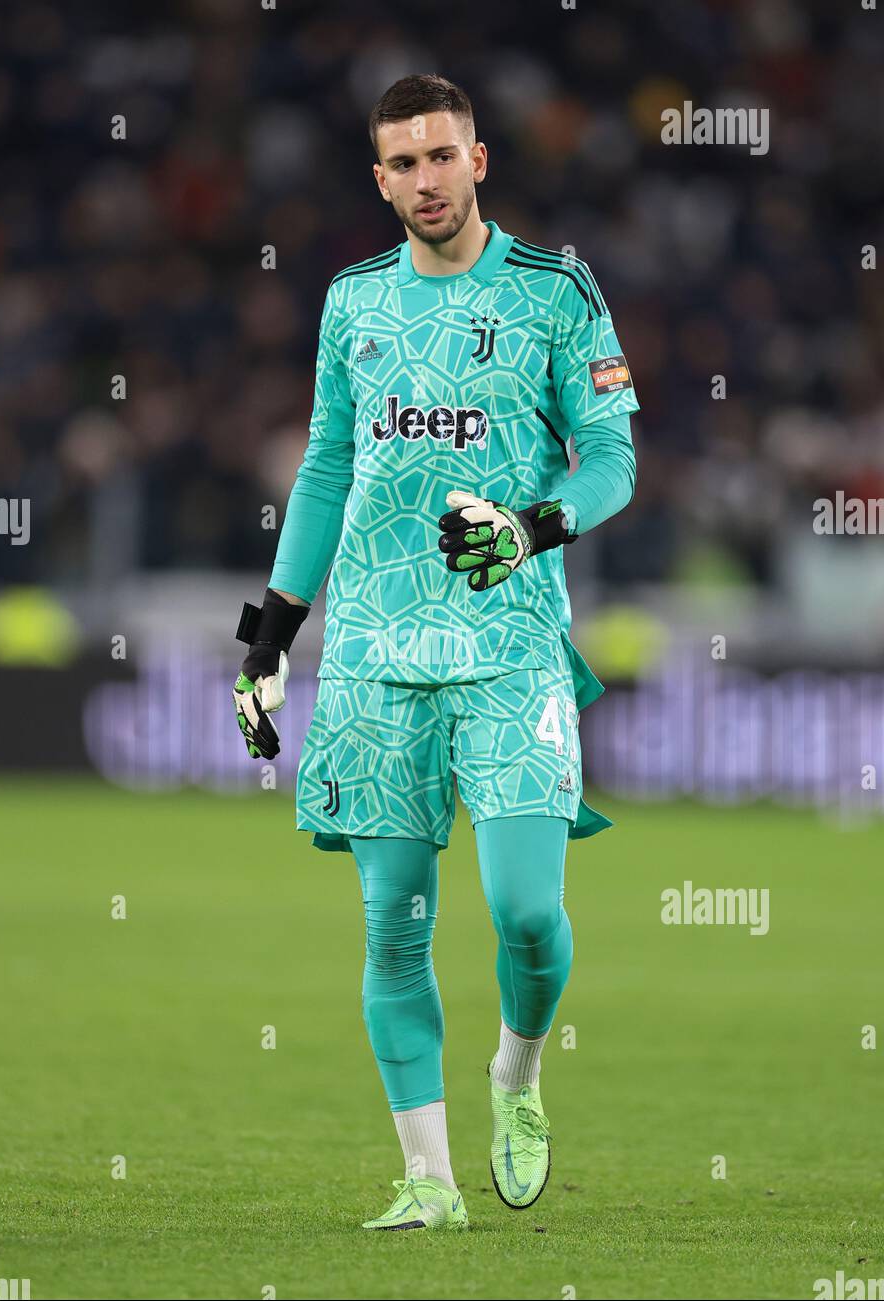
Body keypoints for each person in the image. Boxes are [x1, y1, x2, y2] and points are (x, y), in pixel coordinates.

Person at [232, 73, 639, 1231]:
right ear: (380, 178)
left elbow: (611, 458)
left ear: (480, 158)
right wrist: (267, 643)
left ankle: (516, 1071)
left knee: (522, 911)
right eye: (401, 164)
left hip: (509, 642)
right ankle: (428, 1179)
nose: (424, 180)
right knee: (394, 923)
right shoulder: (352, 301)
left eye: (440, 156)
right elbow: (322, 473)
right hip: (371, 647)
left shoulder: (558, 293)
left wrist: (529, 528)